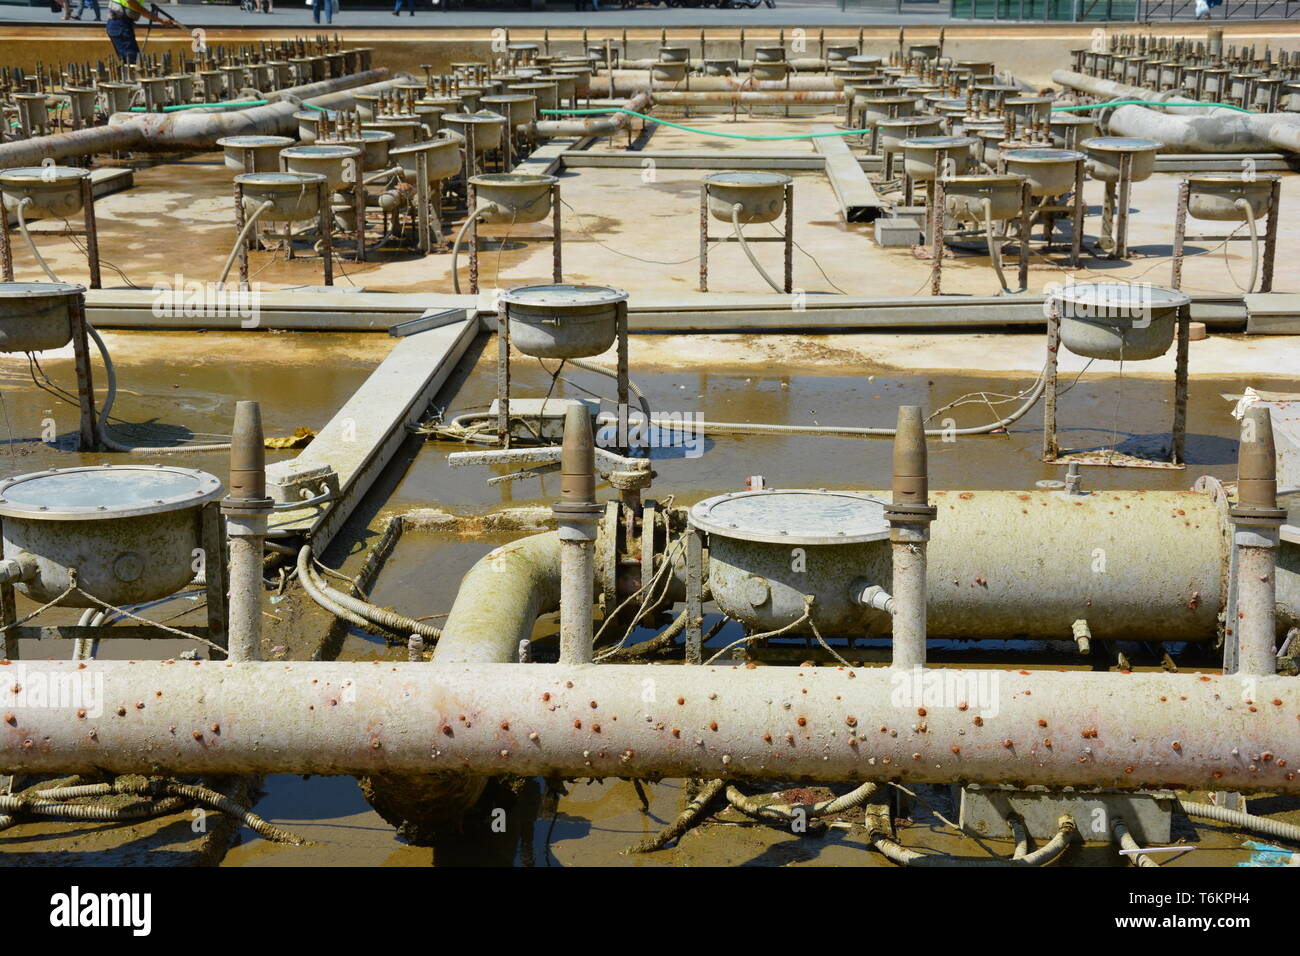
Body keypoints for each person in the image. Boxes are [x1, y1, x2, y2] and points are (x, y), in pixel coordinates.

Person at [106, 0, 182, 65]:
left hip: (120, 24)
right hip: (120, 24)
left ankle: (131, 78)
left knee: (129, 61)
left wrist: (157, 19)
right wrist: (159, 19)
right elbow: (130, 1)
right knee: (134, 61)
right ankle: (134, 80)